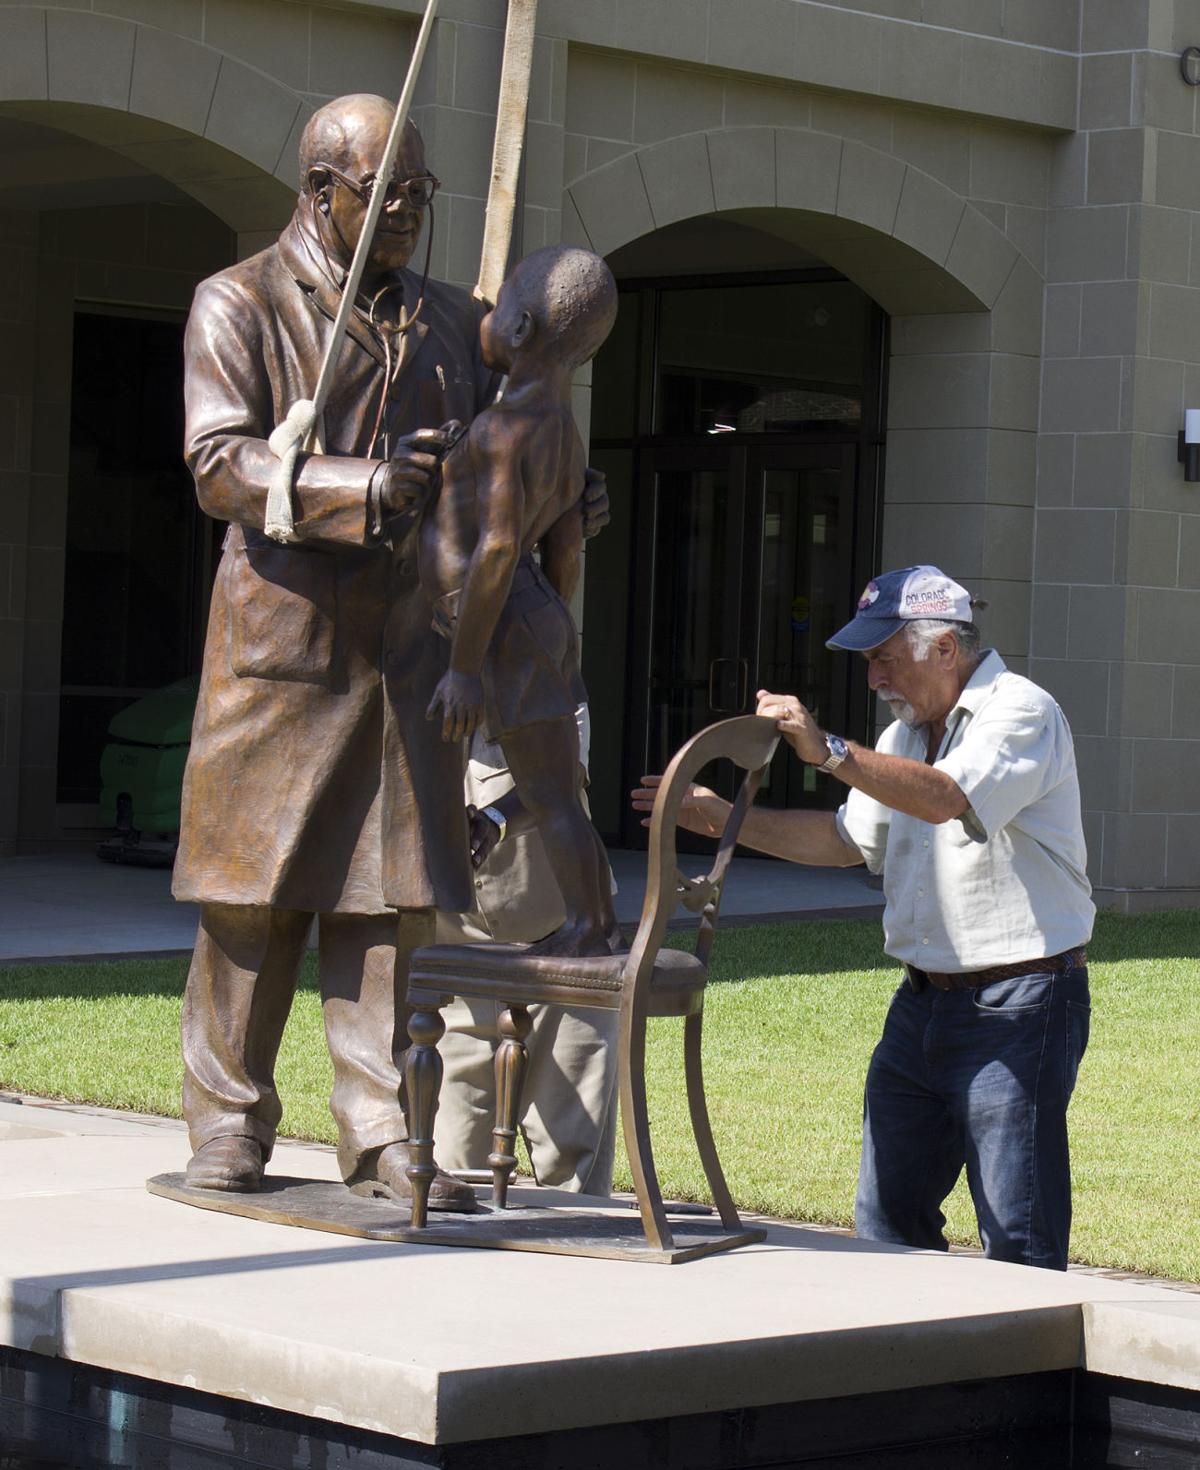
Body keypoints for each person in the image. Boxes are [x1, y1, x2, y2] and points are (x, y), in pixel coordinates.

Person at [173, 96, 605, 1208]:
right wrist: (363, 486)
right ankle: (228, 1125)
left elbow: (505, 448)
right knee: (253, 898)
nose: (408, 214)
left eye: (422, 195)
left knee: (385, 901)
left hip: (408, 648)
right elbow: (219, 462)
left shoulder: (453, 319)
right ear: (323, 189)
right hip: (286, 645)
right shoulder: (240, 302)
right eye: (388, 194)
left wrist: (567, 493)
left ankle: (380, 1134)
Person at [633, 565, 1094, 1270]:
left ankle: (1021, 1380)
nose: (875, 677)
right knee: (885, 1228)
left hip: (1021, 1004)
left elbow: (947, 798)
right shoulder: (908, 732)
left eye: (885, 657)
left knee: (1020, 1240)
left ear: (944, 648)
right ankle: (906, 1375)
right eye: (869, 661)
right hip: (920, 1006)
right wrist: (717, 815)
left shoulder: (1021, 711)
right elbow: (845, 841)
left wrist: (830, 751)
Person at [421, 244, 620, 958]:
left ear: (520, 327)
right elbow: (563, 537)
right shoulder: (560, 427)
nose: (489, 307)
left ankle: (588, 926)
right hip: (536, 621)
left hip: (509, 627)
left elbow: (500, 548)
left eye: (500, 299)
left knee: (551, 796)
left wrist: (466, 667)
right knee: (557, 791)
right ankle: (594, 922)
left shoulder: (506, 430)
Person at [432, 703, 619, 1195]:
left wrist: (493, 817)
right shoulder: (418, 683)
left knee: (572, 1163)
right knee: (454, 1166)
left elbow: (560, 777)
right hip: (460, 960)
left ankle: (577, 1263)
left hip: (561, 950)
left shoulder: (551, 684)